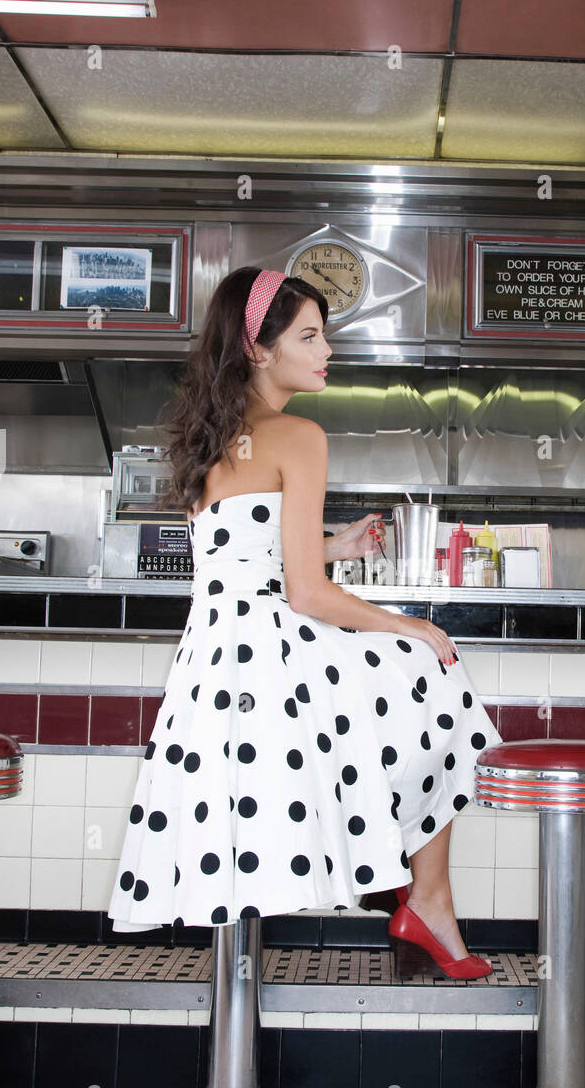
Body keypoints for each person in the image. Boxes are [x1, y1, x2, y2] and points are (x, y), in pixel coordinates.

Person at [107, 267, 503, 979]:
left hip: (211, 672)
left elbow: (241, 554)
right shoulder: (299, 435)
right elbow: (309, 597)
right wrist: (409, 625)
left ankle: (397, 870)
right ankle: (425, 894)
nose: (327, 351)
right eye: (310, 336)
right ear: (259, 350)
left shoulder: (212, 437)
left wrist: (331, 544)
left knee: (416, 693)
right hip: (272, 660)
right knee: (435, 677)